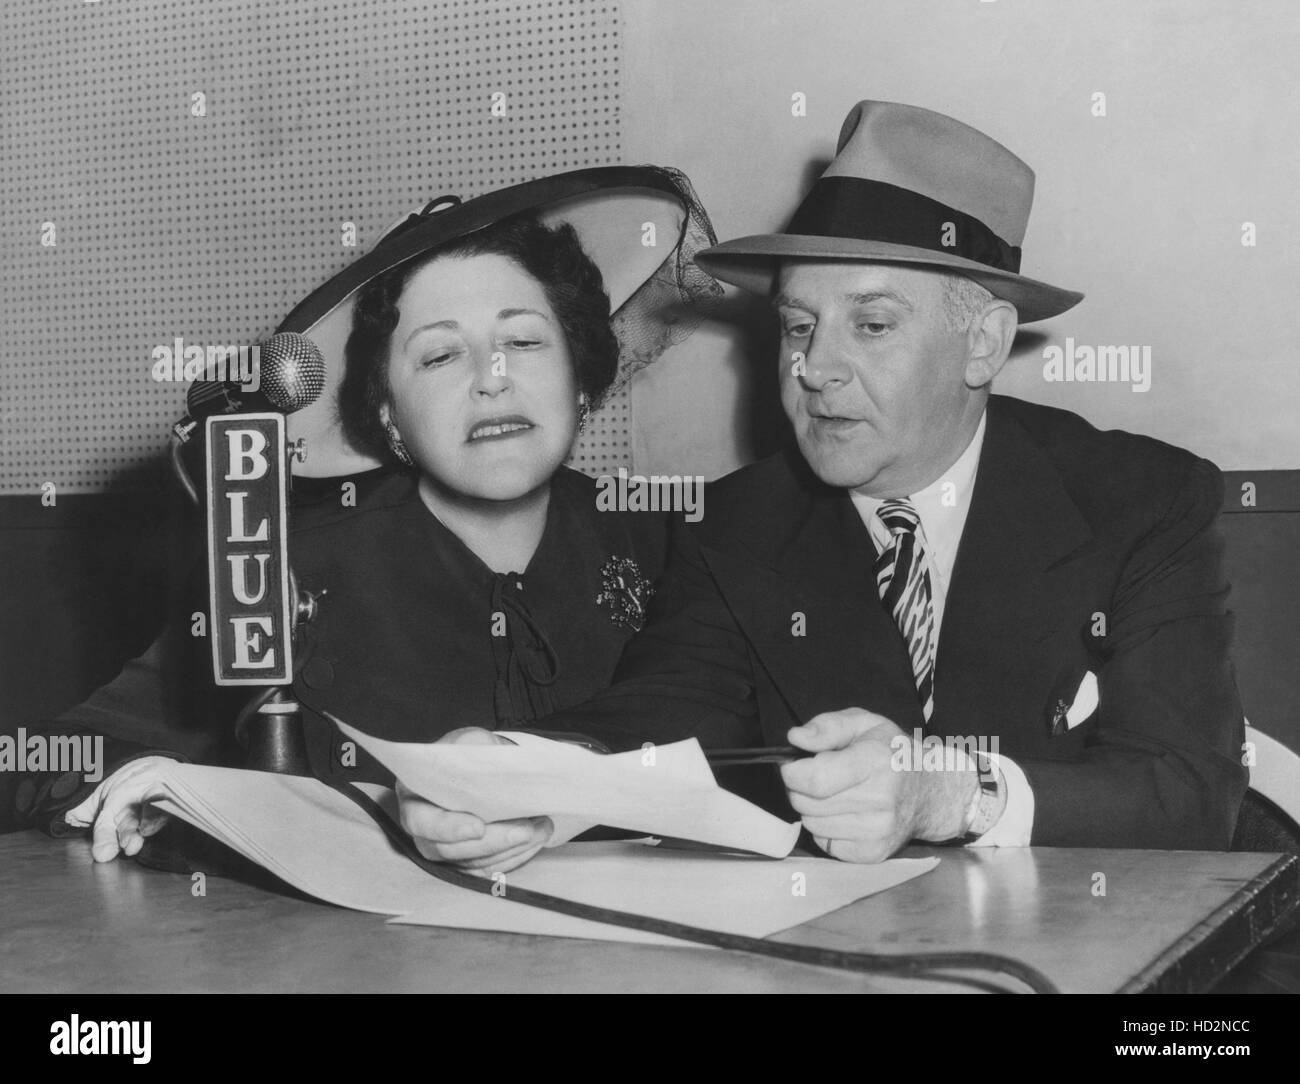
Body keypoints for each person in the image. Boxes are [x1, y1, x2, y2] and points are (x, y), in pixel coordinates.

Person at [400, 100, 1247, 866]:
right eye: (797, 325)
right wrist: (515, 778)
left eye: (871, 325)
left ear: (983, 344)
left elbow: (1189, 794)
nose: (813, 367)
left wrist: (951, 791)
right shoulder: (736, 523)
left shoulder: (1140, 500)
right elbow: (661, 720)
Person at [3, 166, 721, 875]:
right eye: (440, 354)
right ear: (389, 417)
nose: (491, 375)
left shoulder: (668, 541)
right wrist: (164, 795)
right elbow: (57, 754)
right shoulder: (286, 563)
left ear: (581, 377)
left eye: (525, 341)